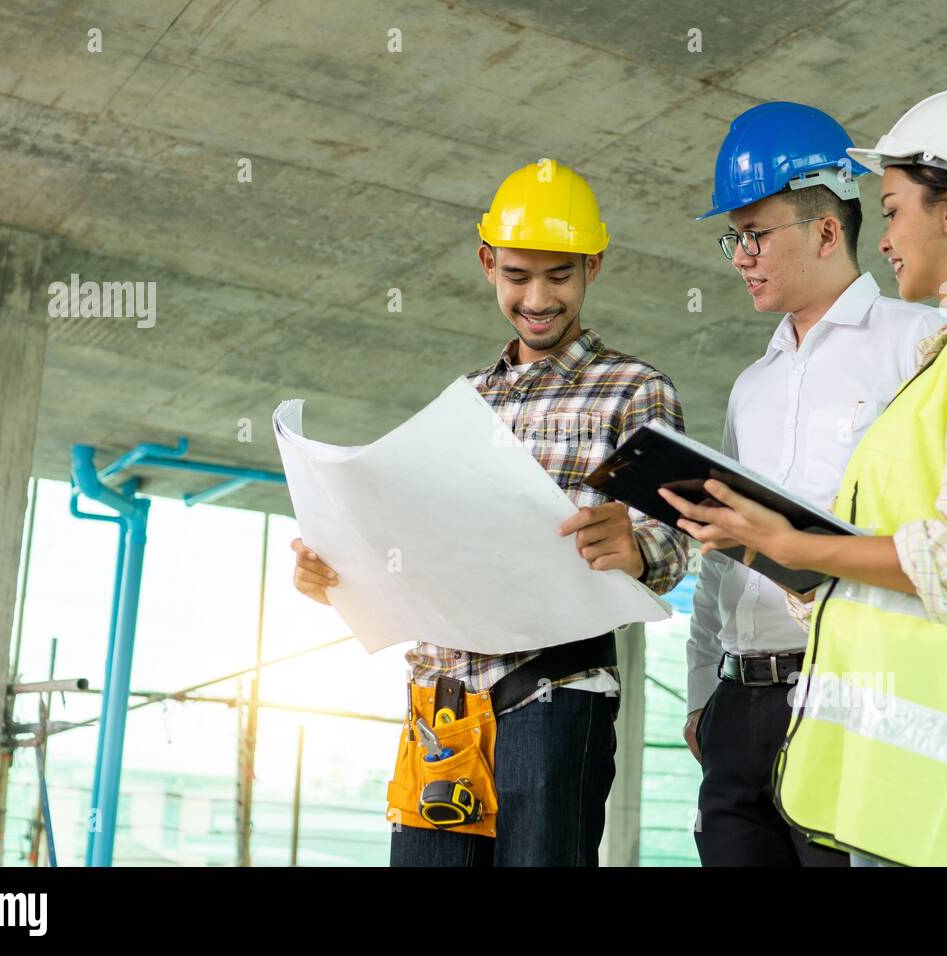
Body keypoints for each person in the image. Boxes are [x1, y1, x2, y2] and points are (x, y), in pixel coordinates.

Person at [661, 84, 947, 867]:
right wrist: (710, 688)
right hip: (788, 702)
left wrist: (792, 544)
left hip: (903, 718)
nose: (886, 231)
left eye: (893, 208)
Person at [292, 159, 690, 867]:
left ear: (592, 265)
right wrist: (339, 571)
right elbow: (416, 547)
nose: (537, 297)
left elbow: (678, 537)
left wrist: (637, 548)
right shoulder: (467, 401)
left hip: (556, 694)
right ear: (487, 264)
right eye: (516, 275)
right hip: (442, 703)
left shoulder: (634, 390)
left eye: (559, 275)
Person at [685, 101, 945, 867]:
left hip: (849, 695)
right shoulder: (750, 386)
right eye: (735, 237)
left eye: (755, 233)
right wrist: (703, 693)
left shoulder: (918, 344)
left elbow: (933, 537)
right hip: (738, 706)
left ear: (828, 230)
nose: (739, 255)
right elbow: (718, 553)